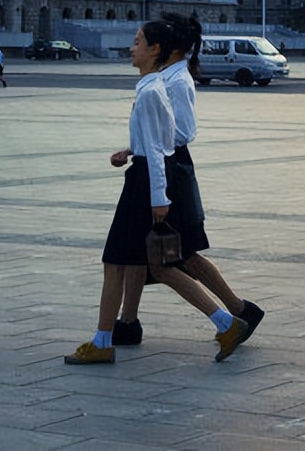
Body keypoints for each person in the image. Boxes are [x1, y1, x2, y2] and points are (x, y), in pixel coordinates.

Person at [65, 21, 249, 366]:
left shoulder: (153, 91)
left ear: (155, 50)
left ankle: (104, 342)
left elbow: (159, 149)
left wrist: (159, 198)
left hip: (144, 185)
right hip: (145, 180)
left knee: (118, 262)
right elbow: (154, 142)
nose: (131, 48)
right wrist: (131, 150)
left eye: (138, 42)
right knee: (149, 264)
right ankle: (226, 323)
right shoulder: (153, 86)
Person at [112, 12, 264, 351]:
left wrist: (148, 148)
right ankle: (128, 321)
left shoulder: (177, 80)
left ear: (171, 46)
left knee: (174, 254)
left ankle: (237, 311)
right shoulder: (167, 75)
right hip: (160, 165)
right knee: (148, 251)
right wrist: (135, 147)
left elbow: (182, 131)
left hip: (169, 170)